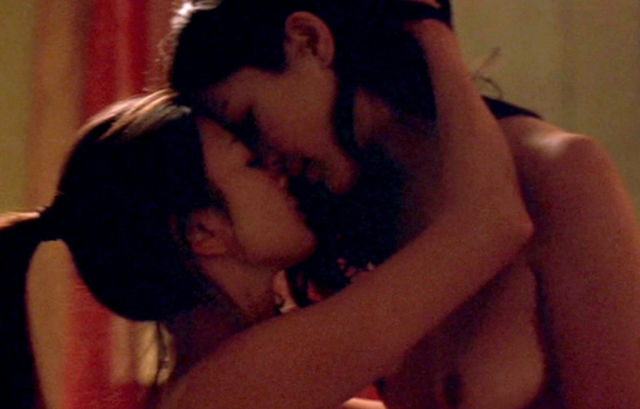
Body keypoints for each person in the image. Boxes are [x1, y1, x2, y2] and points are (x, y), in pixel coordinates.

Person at [166, 0, 640, 408]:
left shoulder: (557, 175)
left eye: (250, 121)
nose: (265, 159)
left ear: (309, 41)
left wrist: (428, 30)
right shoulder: (354, 221)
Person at [1, 59, 530, 409]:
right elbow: (492, 222)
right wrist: (430, 32)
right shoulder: (233, 386)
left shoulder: (227, 381)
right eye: (252, 163)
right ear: (205, 230)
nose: (278, 166)